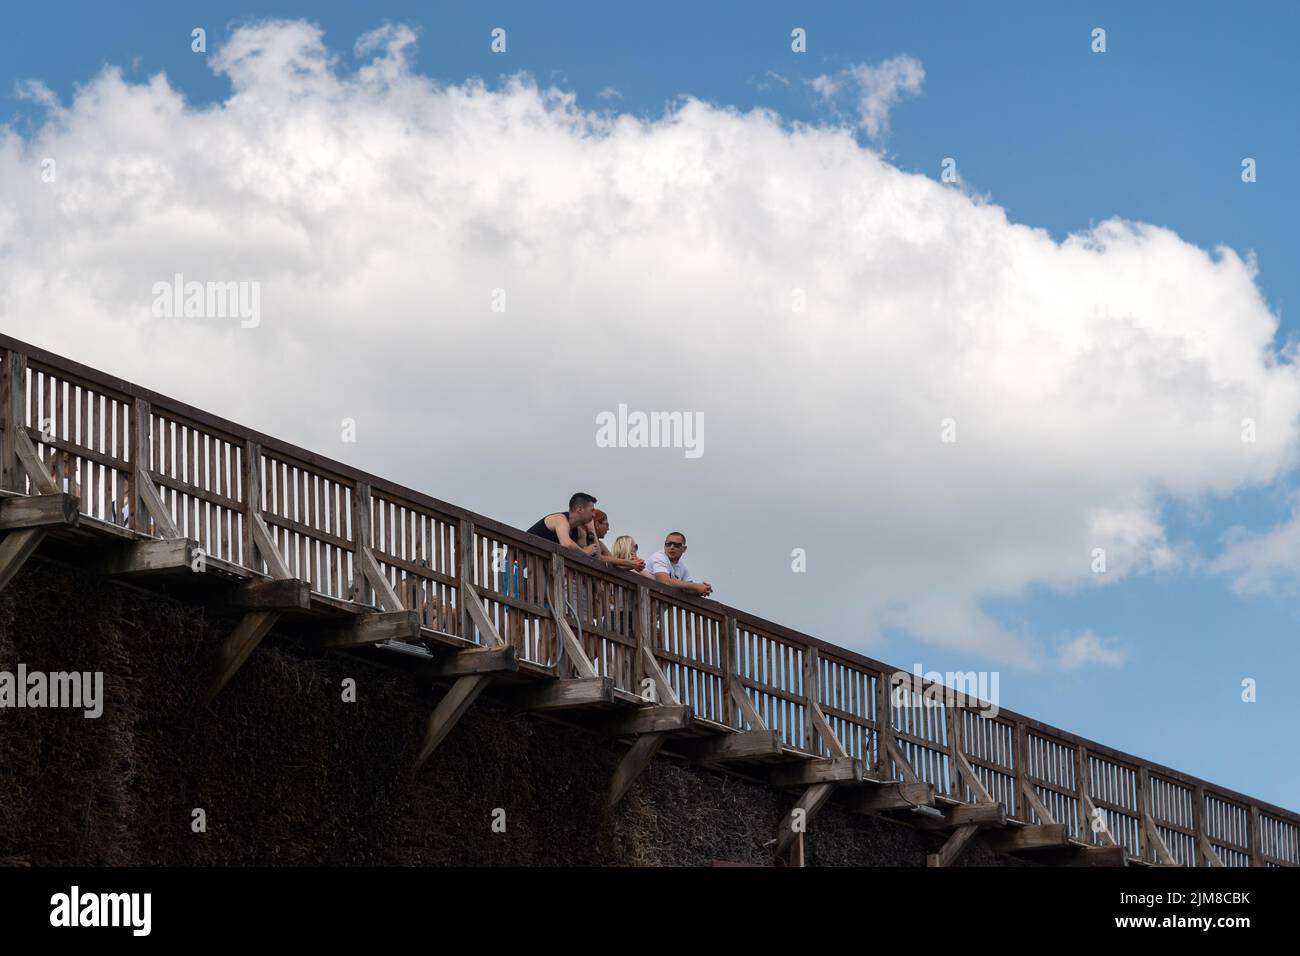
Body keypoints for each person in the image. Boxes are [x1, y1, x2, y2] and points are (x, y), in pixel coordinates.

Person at [526, 492, 601, 556]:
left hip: (538, 564)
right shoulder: (560, 519)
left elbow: (596, 557)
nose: (594, 515)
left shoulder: (579, 531)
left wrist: (592, 529)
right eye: (592, 510)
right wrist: (585, 552)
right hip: (519, 563)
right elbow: (566, 544)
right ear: (580, 509)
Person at [647, 532, 712, 597]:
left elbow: (688, 588)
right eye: (668, 544)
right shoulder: (659, 557)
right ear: (664, 545)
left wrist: (702, 589)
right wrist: (696, 586)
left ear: (684, 549)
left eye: (676, 545)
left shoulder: (682, 566)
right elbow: (664, 581)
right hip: (644, 598)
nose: (672, 547)